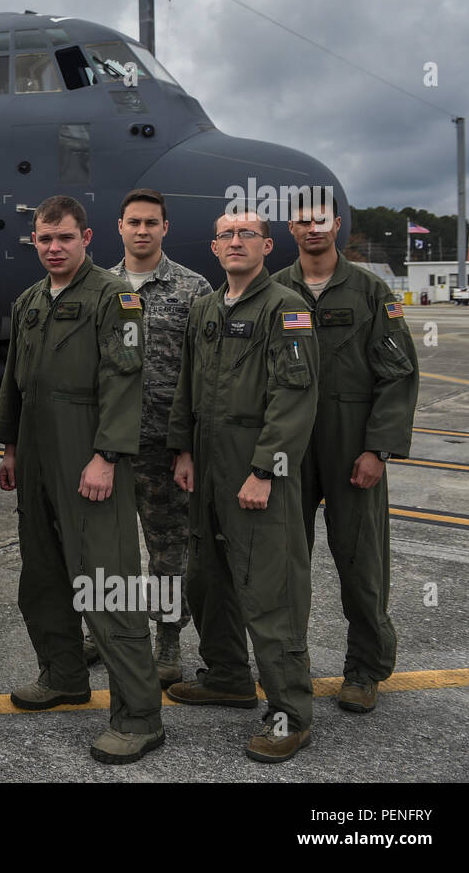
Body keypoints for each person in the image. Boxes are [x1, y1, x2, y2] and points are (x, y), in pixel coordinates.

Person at [0, 194, 164, 764]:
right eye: (44, 239)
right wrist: (10, 448)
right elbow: (13, 383)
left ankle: (139, 715)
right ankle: (64, 676)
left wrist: (106, 457)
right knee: (42, 580)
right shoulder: (28, 302)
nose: (53, 248)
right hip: (37, 455)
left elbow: (125, 379)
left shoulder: (115, 299)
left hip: (88, 455)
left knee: (107, 585)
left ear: (87, 239)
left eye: (64, 237)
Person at [168, 212, 319, 763]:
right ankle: (228, 676)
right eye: (226, 235)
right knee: (207, 579)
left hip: (256, 470)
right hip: (206, 466)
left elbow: (294, 396)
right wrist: (182, 449)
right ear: (214, 246)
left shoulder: (287, 308)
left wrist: (265, 471)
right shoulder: (206, 307)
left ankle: (290, 714)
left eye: (246, 234)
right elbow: (187, 382)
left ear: (266, 246)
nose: (235, 242)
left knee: (269, 594)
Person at [274, 191, 418, 713]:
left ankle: (364, 669)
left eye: (321, 219)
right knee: (284, 566)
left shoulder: (370, 291)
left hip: (351, 445)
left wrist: (378, 449)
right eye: (302, 220)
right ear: (290, 228)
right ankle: (288, 666)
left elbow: (398, 374)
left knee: (361, 561)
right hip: (289, 449)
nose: (312, 228)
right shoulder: (273, 291)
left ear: (336, 225)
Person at [105, 188, 213, 686]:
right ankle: (104, 631)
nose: (142, 230)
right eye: (134, 222)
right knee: (107, 548)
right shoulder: (101, 287)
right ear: (120, 227)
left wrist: (188, 445)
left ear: (164, 228)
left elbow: (205, 374)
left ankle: (168, 640)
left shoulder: (195, 290)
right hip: (108, 445)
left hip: (164, 446)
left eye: (152, 222)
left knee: (168, 551)